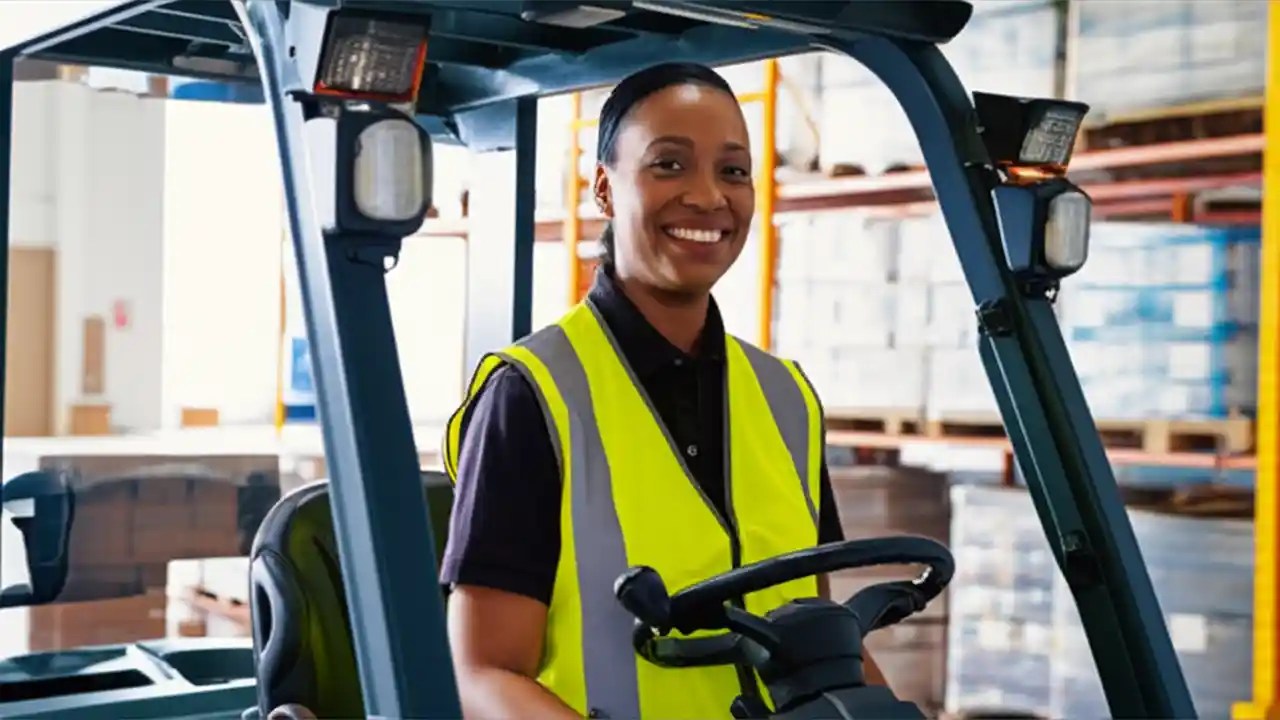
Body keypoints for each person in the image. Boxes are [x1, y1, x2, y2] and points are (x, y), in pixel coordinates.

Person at [440, 62, 886, 719]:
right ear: (605, 190)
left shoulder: (786, 398)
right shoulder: (532, 395)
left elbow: (817, 638)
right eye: (669, 165)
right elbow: (481, 673)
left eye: (733, 171)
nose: (708, 197)